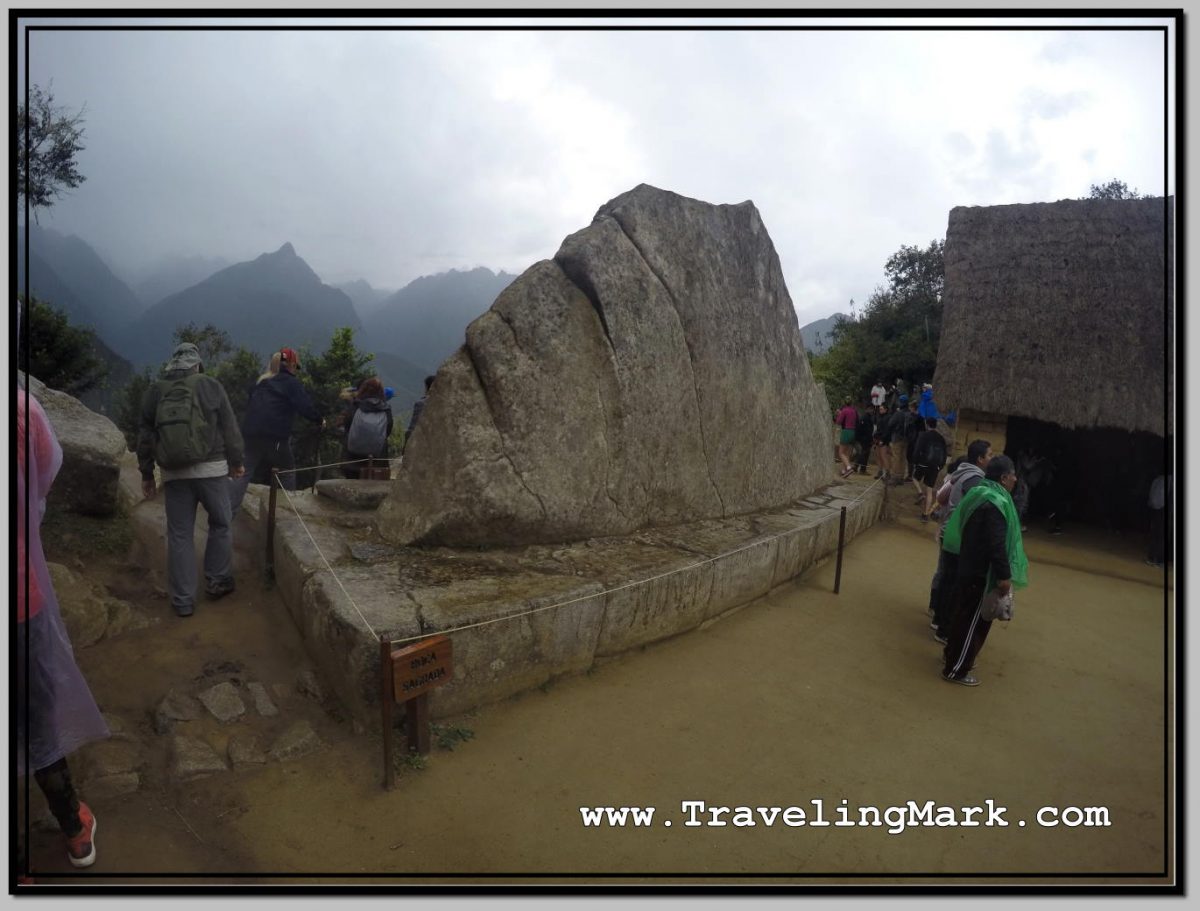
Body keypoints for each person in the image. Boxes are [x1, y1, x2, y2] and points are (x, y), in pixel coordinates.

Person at [18, 384, 110, 876]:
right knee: (37, 718)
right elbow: (46, 472)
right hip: (19, 598)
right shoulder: (22, 409)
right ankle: (73, 827)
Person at [137, 343, 245, 617]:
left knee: (180, 534)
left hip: (174, 474)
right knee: (220, 523)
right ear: (197, 364)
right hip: (212, 470)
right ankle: (218, 581)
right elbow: (230, 427)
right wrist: (237, 462)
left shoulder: (156, 391)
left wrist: (147, 473)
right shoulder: (210, 385)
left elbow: (145, 436)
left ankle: (183, 601)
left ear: (172, 364)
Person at [940, 455, 1028, 686]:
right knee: (973, 622)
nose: (1015, 479)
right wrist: (1004, 576)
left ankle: (953, 657)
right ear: (1003, 477)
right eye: (1012, 475)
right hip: (980, 573)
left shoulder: (978, 494)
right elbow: (996, 544)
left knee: (962, 616)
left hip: (968, 565)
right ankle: (956, 669)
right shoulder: (995, 503)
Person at [229, 346, 323, 513]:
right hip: (276, 438)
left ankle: (225, 514)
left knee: (244, 471)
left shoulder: (262, 382)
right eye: (296, 367)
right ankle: (285, 513)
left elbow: (249, 401)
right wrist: (320, 419)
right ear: (291, 365)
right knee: (286, 471)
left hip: (250, 433)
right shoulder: (291, 383)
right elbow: (305, 407)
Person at [929, 439, 993, 642]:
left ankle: (938, 619)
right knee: (955, 584)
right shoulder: (975, 480)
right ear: (980, 459)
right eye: (989, 455)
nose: (991, 458)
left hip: (949, 532)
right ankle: (944, 628)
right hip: (959, 536)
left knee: (946, 577)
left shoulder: (962, 473)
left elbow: (942, 497)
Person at [340, 377, 394, 480]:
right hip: (378, 460)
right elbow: (388, 430)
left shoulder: (355, 406)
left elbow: (347, 426)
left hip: (353, 460)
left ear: (363, 389)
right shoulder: (386, 409)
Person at [911, 418, 948, 523]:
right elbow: (944, 454)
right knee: (930, 490)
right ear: (936, 425)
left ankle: (919, 493)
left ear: (927, 425)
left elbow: (918, 449)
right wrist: (940, 466)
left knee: (914, 477)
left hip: (923, 463)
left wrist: (915, 461)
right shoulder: (941, 438)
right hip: (935, 466)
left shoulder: (924, 435)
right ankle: (925, 515)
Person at [403, 375, 435, 453]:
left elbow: (412, 428)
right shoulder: (448, 404)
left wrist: (405, 448)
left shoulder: (421, 404)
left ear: (427, 388)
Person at [1146, 473, 1172, 567]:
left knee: (1155, 534)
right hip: (1166, 511)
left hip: (1156, 509)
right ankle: (1160, 560)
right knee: (1163, 536)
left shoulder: (1159, 479)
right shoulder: (1171, 481)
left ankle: (1151, 558)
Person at [888, 395, 912, 484]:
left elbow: (890, 424)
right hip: (907, 439)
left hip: (897, 438)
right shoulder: (910, 414)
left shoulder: (898, 413)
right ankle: (901, 477)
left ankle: (894, 477)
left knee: (896, 457)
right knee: (903, 458)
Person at [834, 396, 858, 478]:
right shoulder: (854, 411)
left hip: (846, 431)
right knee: (847, 453)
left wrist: (838, 414)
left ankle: (849, 467)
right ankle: (844, 471)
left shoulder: (844, 410)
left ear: (844, 402)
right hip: (853, 432)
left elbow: (838, 422)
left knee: (841, 452)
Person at [853, 399, 875, 475]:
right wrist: (870, 439)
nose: (872, 411)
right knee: (864, 454)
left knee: (863, 453)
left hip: (863, 438)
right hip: (865, 439)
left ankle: (857, 467)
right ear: (868, 409)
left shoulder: (866, 417)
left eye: (873, 409)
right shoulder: (866, 417)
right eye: (871, 409)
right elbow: (867, 430)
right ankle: (861, 469)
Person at [872, 403, 893, 480]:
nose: (880, 410)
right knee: (878, 456)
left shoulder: (887, 417)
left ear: (885, 409)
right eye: (879, 409)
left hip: (883, 439)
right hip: (878, 437)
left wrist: (883, 440)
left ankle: (888, 473)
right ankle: (880, 471)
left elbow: (887, 430)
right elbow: (878, 428)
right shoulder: (879, 417)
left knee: (883, 456)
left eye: (881, 409)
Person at [904, 398, 921, 481]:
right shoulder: (916, 416)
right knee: (911, 458)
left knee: (911, 457)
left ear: (913, 408)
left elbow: (908, 428)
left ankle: (911, 475)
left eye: (910, 407)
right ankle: (911, 475)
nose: (909, 409)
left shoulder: (914, 417)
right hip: (914, 439)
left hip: (913, 440)